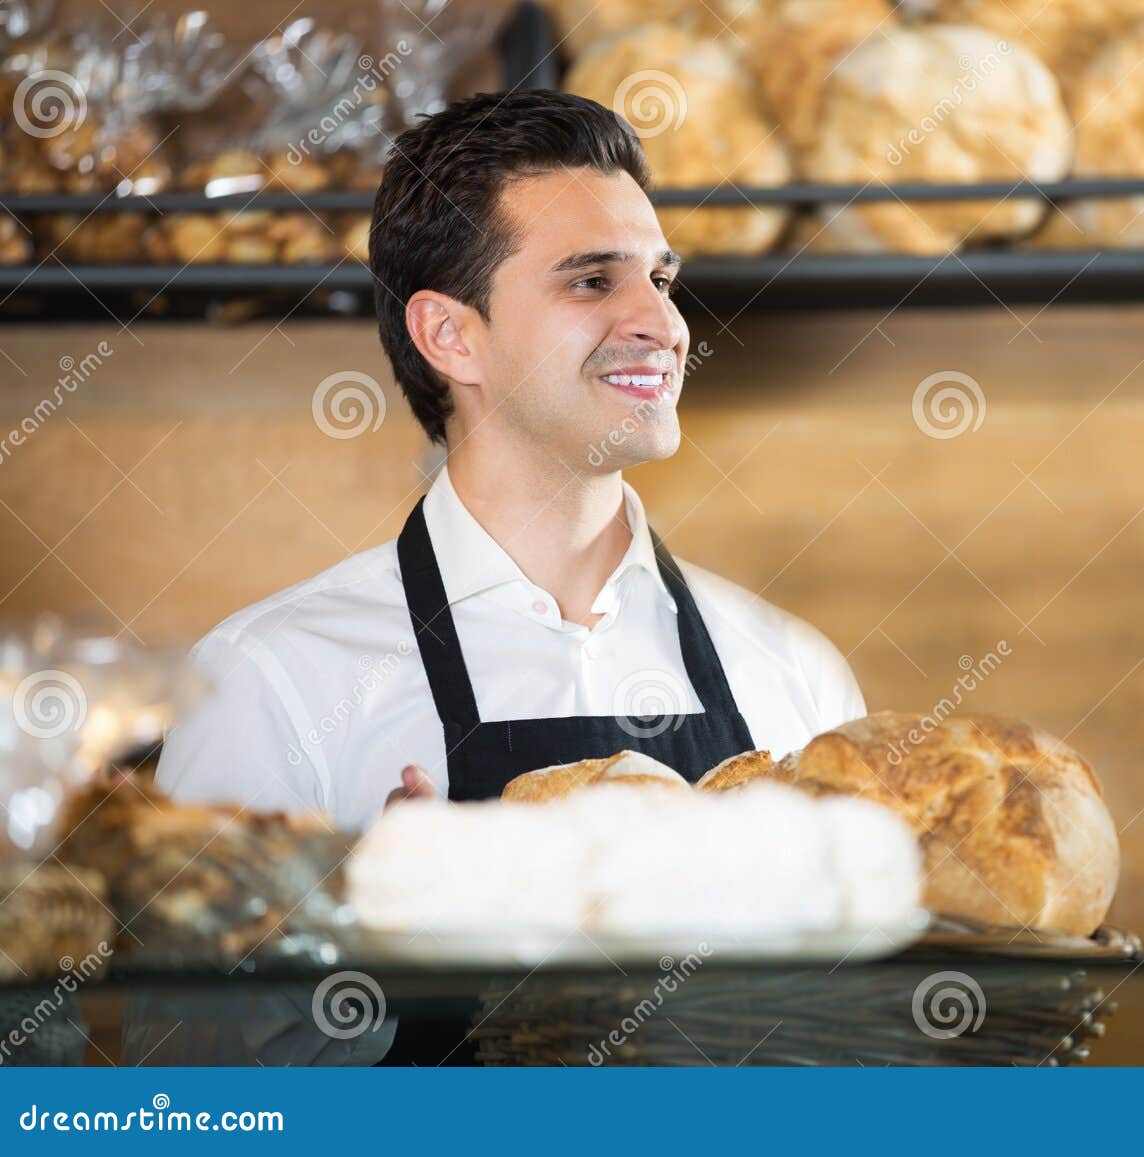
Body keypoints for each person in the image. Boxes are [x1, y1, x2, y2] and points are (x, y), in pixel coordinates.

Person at [123, 89, 866, 1066]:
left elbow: (856, 1049)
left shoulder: (790, 671)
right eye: (593, 282)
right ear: (450, 335)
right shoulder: (273, 680)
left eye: (661, 277)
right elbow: (191, 1102)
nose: (664, 323)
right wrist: (369, 952)